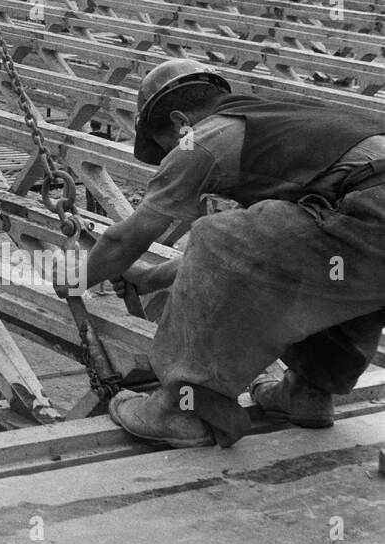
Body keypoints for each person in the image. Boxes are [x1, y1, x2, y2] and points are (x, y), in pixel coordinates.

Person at [81, 58, 385, 448]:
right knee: (319, 268)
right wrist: (148, 277)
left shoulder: (204, 138)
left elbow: (127, 238)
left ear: (179, 122)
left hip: (369, 213)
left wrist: (75, 276)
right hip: (369, 225)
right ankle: (307, 392)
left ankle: (176, 410)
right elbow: (264, 253)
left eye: (166, 146)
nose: (172, 155)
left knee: (212, 234)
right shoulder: (281, 129)